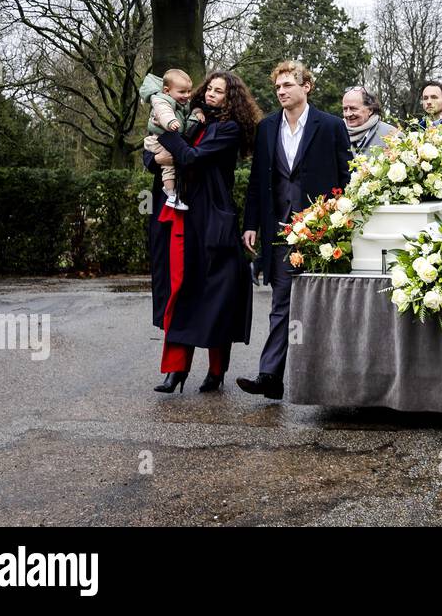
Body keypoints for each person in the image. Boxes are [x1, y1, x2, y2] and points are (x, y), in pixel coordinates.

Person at [238, 61, 351, 400]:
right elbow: (258, 181)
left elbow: (346, 178)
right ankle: (270, 376)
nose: (282, 91)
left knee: (327, 305)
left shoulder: (330, 126)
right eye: (278, 87)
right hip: (280, 231)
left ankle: (335, 381)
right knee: (281, 303)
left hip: (321, 230)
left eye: (288, 85)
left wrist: (342, 223)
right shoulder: (267, 127)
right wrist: (251, 225)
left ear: (307, 87)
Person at [146, 71, 261, 394]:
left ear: (231, 98)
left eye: (220, 91)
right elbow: (150, 157)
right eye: (209, 88)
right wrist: (159, 152)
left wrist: (166, 138)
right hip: (179, 218)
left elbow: (191, 157)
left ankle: (216, 370)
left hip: (213, 220)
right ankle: (175, 370)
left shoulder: (229, 129)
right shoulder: (187, 118)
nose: (211, 94)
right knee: (179, 292)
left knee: (217, 299)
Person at [139, 69, 204, 210]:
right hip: (160, 145)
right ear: (167, 90)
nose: (186, 95)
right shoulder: (162, 101)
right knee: (168, 167)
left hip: (191, 189)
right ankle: (171, 194)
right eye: (182, 92)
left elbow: (192, 108)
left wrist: (197, 112)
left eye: (189, 91)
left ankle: (172, 195)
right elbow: (163, 112)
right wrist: (157, 159)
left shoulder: (185, 104)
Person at [342, 85, 395, 154]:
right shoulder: (336, 134)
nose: (348, 114)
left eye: (353, 108)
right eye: (345, 109)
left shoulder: (392, 136)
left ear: (370, 110)